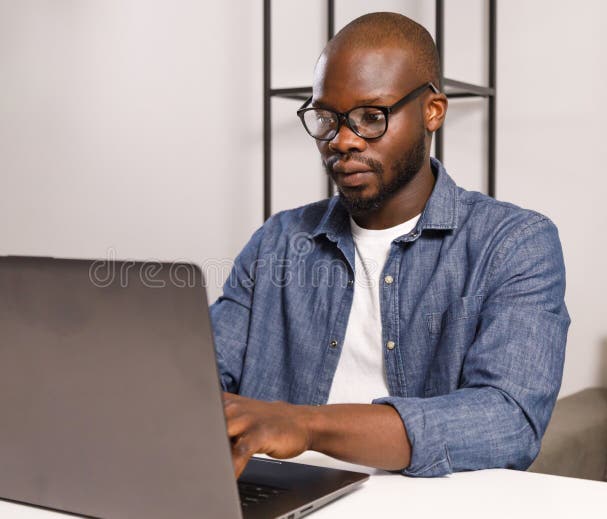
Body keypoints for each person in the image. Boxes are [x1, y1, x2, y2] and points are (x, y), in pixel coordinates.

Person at [210, 12, 570, 478]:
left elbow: (507, 419)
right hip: (274, 492)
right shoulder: (278, 241)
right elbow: (202, 379)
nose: (341, 141)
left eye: (370, 117)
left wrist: (305, 425)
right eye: (327, 118)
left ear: (433, 111)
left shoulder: (514, 244)